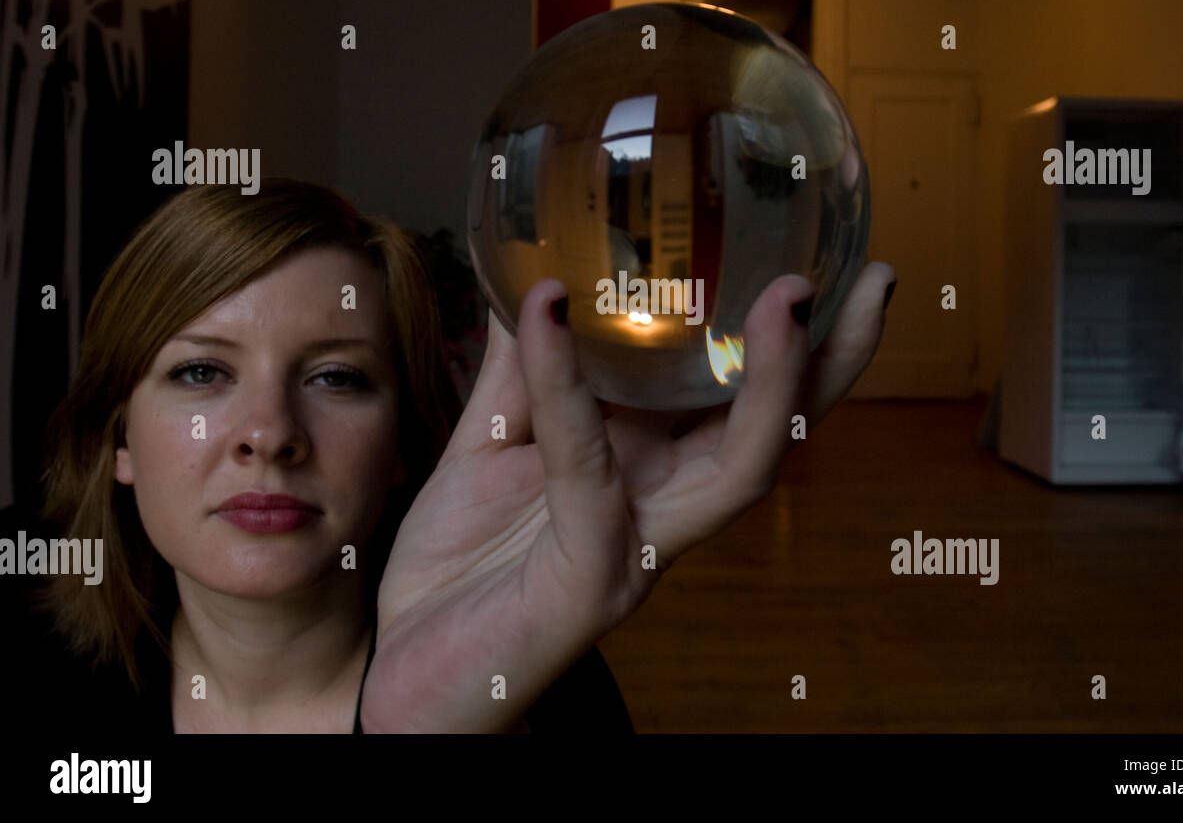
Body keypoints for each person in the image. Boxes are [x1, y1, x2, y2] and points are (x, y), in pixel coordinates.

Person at [3, 178, 894, 733]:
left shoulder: (535, 687)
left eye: (337, 379)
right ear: (120, 440)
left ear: (400, 448)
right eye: (201, 372)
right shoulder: (31, 655)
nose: (268, 432)